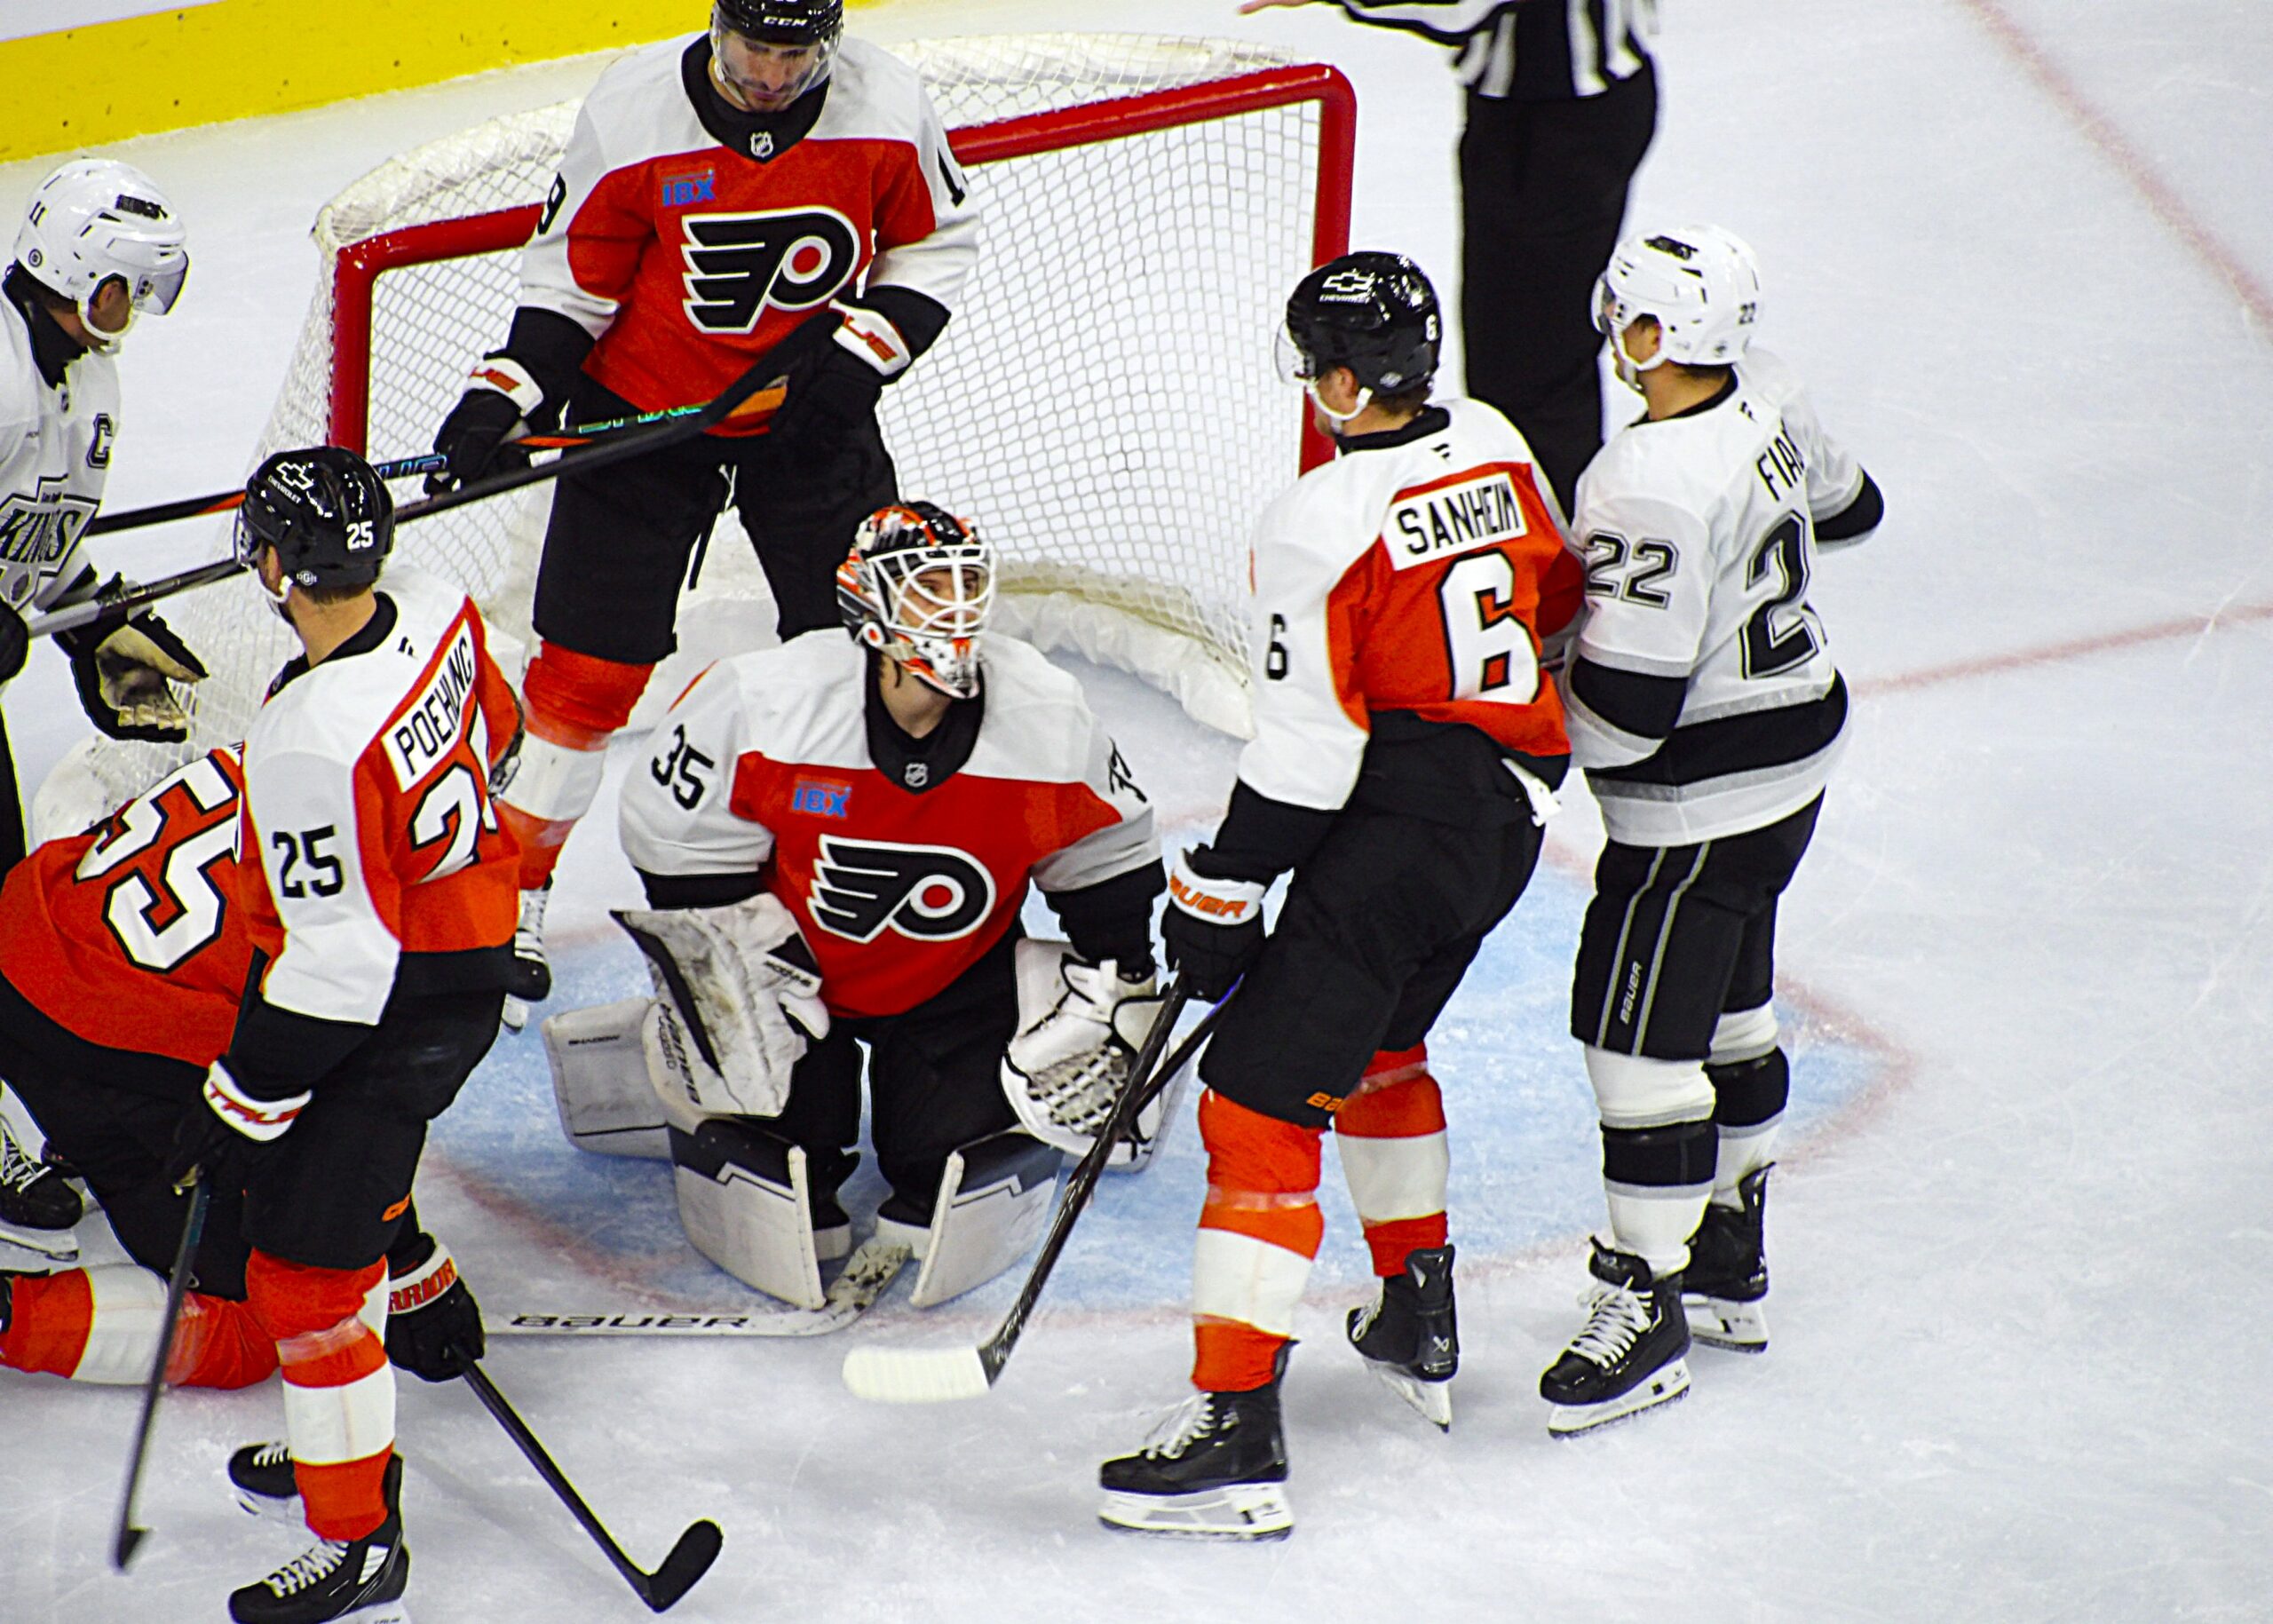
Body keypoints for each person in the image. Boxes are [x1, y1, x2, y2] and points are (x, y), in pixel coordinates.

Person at [1097, 251, 1580, 1540]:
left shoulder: (1316, 518)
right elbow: (1558, 601)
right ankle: (1417, 1307)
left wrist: (1225, 883)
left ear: (1346, 378)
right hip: (1509, 820)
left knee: (1255, 1102)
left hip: (1402, 829)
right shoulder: (1491, 437)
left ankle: (1234, 1427)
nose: (1312, 385)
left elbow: (1311, 750)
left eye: (1319, 363)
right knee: (1380, 1047)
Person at [424, 0, 979, 1026]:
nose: (768, 77)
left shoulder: (886, 102)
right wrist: (502, 396)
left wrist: (857, 363)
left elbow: (934, 245)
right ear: (714, 29)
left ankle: (820, 881)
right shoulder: (635, 110)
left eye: (793, 54)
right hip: (640, 417)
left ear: (831, 43)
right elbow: (573, 283)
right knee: (585, 676)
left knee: (849, 661)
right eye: (748, 50)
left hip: (810, 414)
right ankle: (509, 895)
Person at [614, 502, 1162, 1311]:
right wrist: (728, 974)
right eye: (925, 587)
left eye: (964, 583)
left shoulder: (1046, 715)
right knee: (780, 1171)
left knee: (946, 1173)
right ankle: (707, 1050)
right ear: (866, 609)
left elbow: (1107, 862)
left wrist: (1118, 981)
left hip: (956, 984)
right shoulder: (768, 699)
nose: (953, 606)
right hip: (796, 985)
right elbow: (674, 838)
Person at [160, 446, 521, 1624]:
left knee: (304, 1273)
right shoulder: (441, 607)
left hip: (395, 1000)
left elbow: (340, 967)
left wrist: (242, 1101)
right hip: (455, 949)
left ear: (275, 564)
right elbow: (500, 728)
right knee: (330, 1222)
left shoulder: (313, 732)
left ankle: (359, 1538)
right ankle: (344, 1442)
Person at [1540, 225, 1883, 1437]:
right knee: (1733, 1009)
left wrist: (1520, 720)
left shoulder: (1642, 481)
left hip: (1698, 802)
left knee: (1635, 1045)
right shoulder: (1772, 384)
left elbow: (1628, 714)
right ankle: (1731, 1243)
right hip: (1799, 755)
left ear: (1651, 335)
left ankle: (1648, 1295)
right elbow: (1854, 509)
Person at [0, 743, 483, 1406]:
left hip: (29, 929)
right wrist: (405, 1262)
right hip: (100, 1048)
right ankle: (10, 1314)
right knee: (273, 1312)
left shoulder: (313, 737)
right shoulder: (385, 913)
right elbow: (349, 1117)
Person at [1238, 0, 1659, 511]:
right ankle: (1540, 545)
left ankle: (1545, 561)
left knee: (1529, 374)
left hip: (1554, 121)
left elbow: (1460, 7)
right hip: (1567, 104)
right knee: (1536, 357)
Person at [2, 158, 204, 875]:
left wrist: (93, 625)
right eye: (136, 291)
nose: (137, 312)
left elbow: (35, 539)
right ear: (97, 285)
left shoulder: (90, 379)